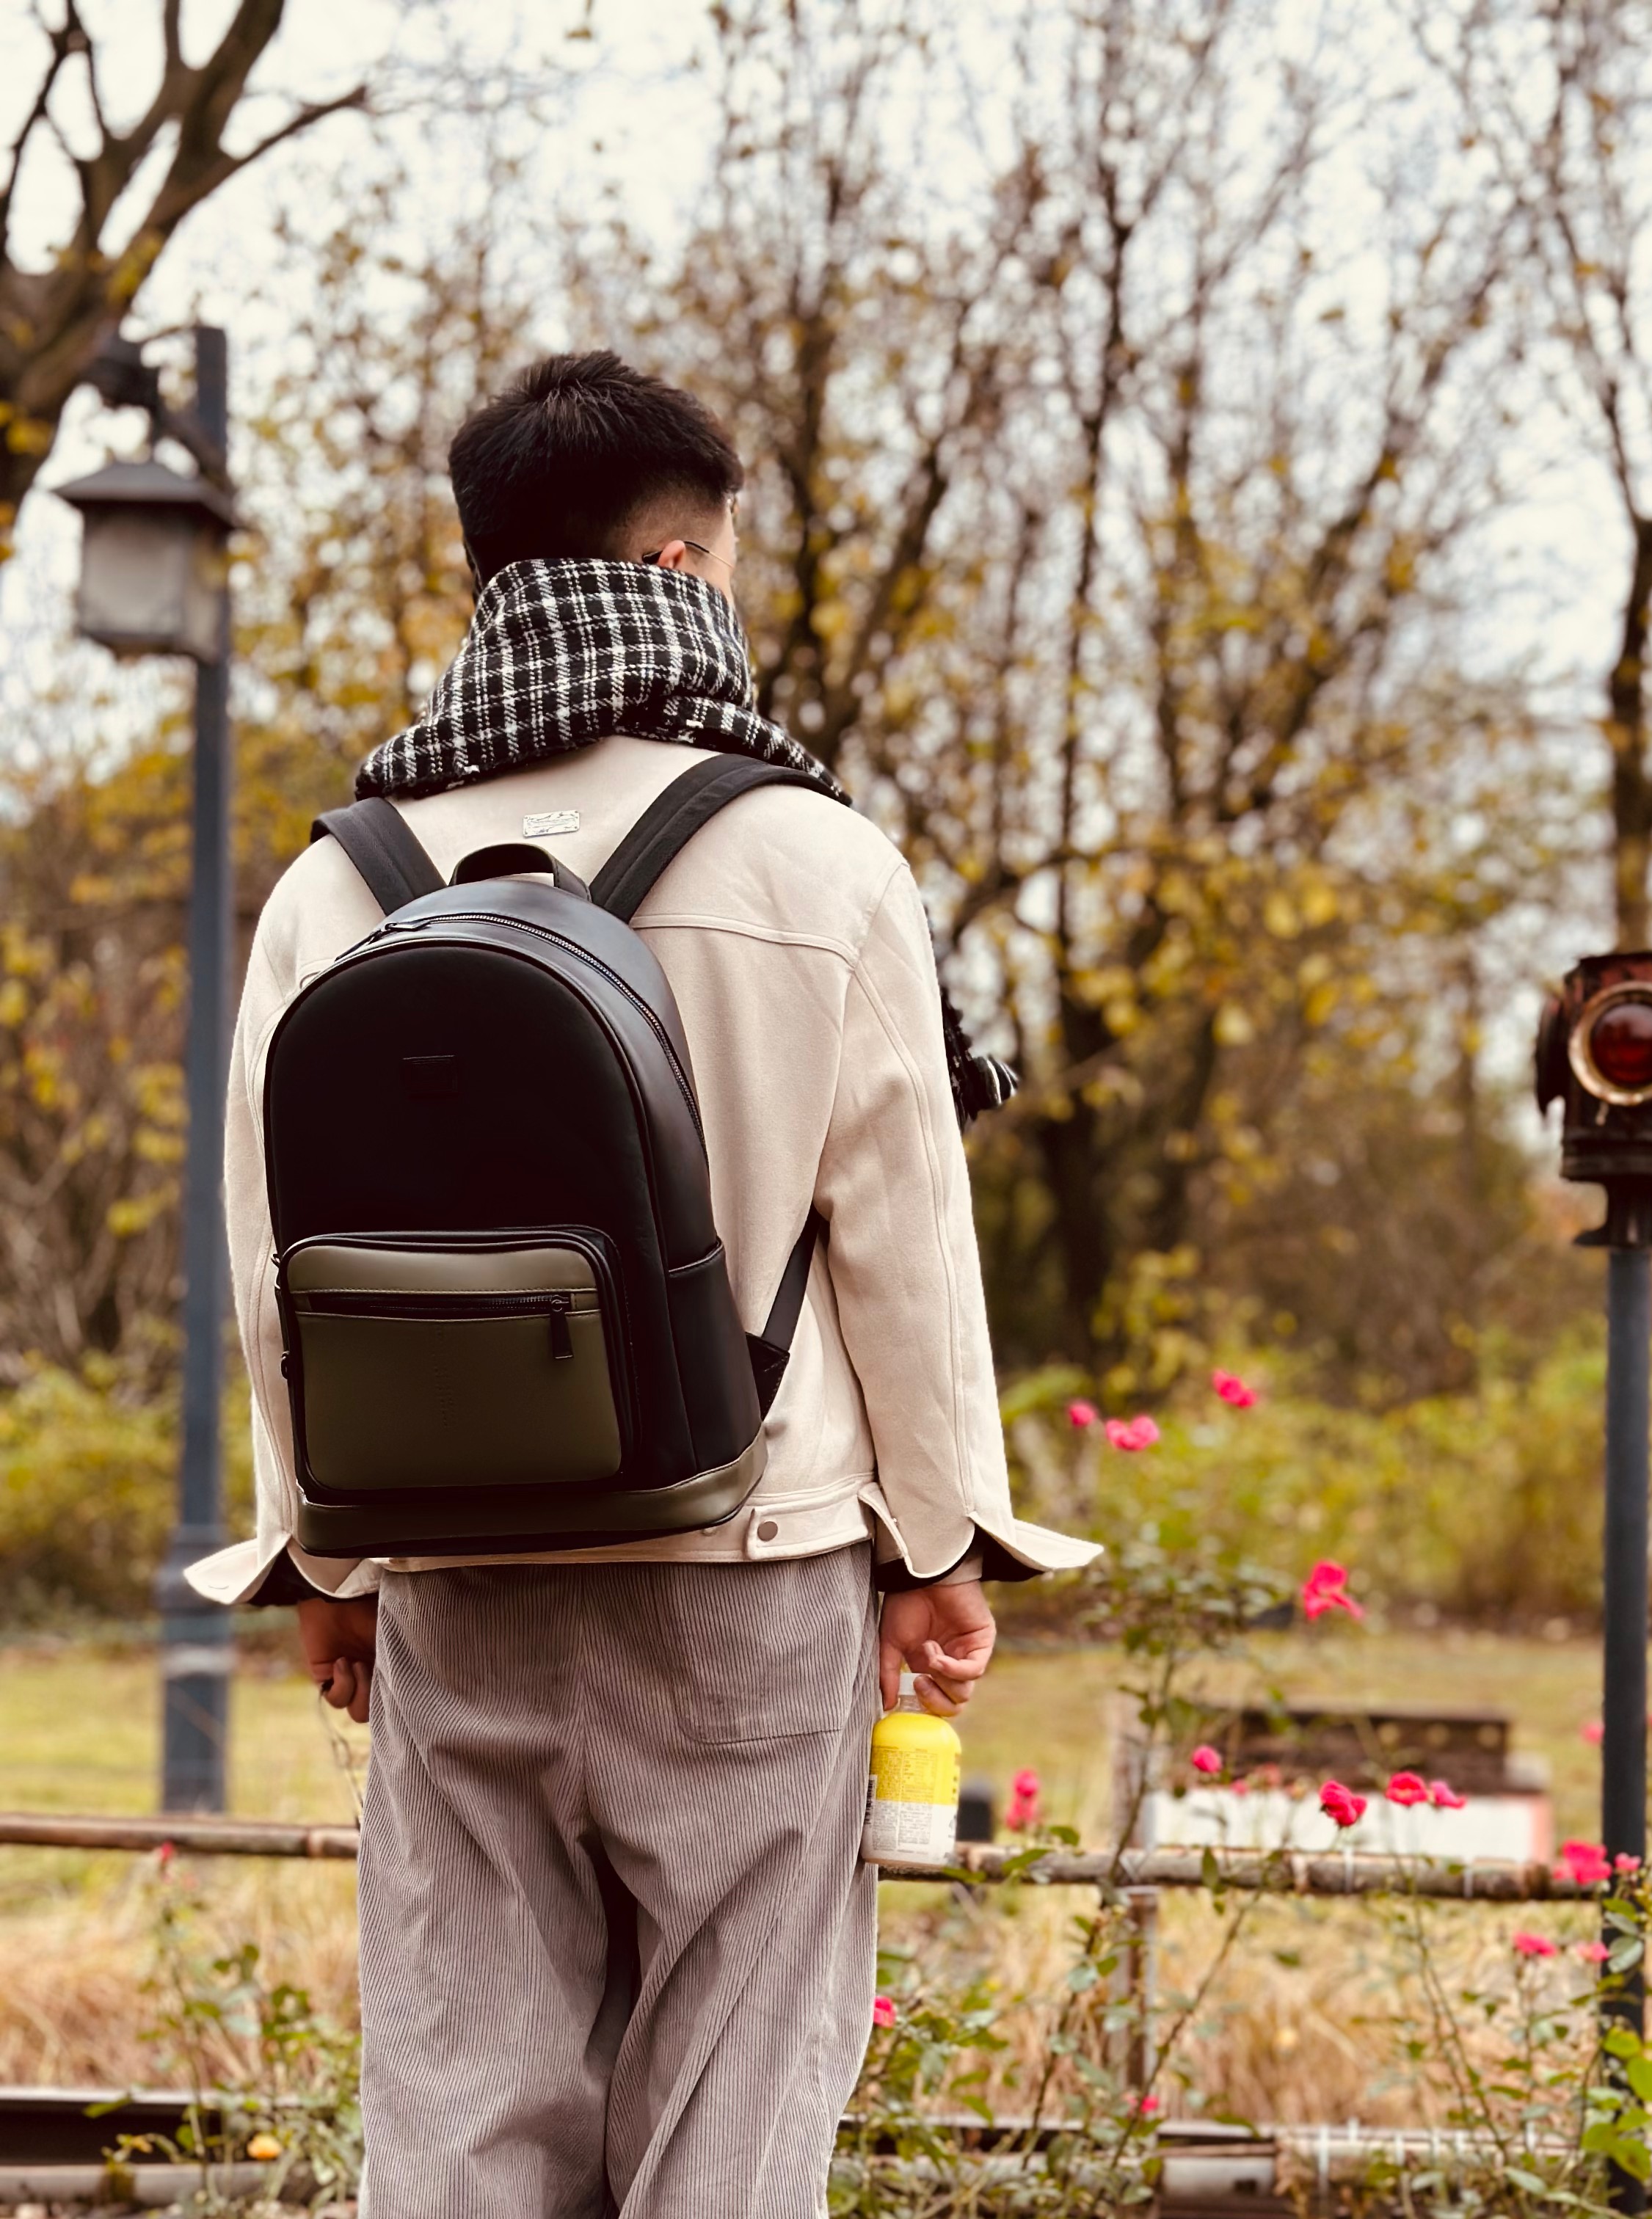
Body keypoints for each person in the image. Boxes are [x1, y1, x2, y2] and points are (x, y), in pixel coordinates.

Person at [187, 350, 1095, 2218]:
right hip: (748, 1575)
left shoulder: (334, 886)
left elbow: (268, 1266)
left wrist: (328, 1563)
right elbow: (906, 1246)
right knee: (737, 2106)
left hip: (456, 1579)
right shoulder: (816, 857)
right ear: (686, 576)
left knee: (456, 2101)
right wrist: (939, 1546)